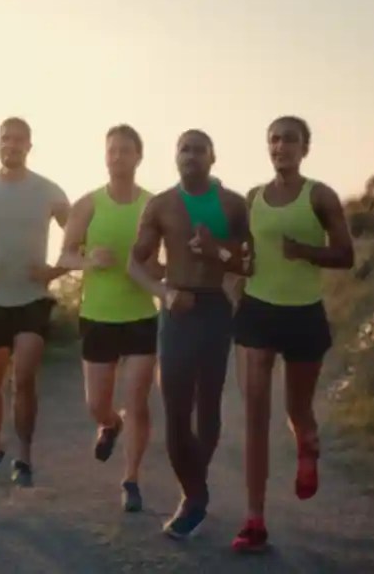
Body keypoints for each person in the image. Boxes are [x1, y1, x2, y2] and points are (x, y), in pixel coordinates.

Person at [230, 116, 355, 553]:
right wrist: (220, 259)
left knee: (297, 409)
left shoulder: (319, 195)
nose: (281, 146)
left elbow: (346, 255)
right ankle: (254, 519)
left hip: (304, 315)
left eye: (290, 140)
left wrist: (304, 251)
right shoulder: (252, 198)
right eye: (274, 139)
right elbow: (245, 257)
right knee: (255, 419)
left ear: (306, 147)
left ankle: (307, 444)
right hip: (257, 312)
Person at [128, 129, 251, 539]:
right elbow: (136, 264)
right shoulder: (161, 205)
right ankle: (193, 495)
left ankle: (195, 486)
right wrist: (164, 293)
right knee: (176, 408)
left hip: (215, 308)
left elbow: (248, 262)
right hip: (177, 310)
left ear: (213, 157)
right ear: (174, 156)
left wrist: (216, 248)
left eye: (199, 149)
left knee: (208, 403)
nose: (191, 155)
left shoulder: (233, 204)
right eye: (184, 148)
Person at [57, 125, 162, 513]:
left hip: (139, 316)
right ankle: (109, 424)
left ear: (138, 156)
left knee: (137, 401)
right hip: (98, 316)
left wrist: (159, 274)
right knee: (96, 405)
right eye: (112, 150)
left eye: (125, 150)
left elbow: (160, 261)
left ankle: (131, 479)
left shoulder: (154, 205)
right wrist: (88, 260)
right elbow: (64, 256)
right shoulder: (88, 204)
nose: (118, 156)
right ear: (105, 157)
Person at [0, 117, 70, 487]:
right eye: (5, 138)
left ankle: (24, 456)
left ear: (29, 145)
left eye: (18, 139)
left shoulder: (49, 192)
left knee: (23, 377)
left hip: (32, 298)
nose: (11, 144)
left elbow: (76, 239)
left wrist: (53, 272)